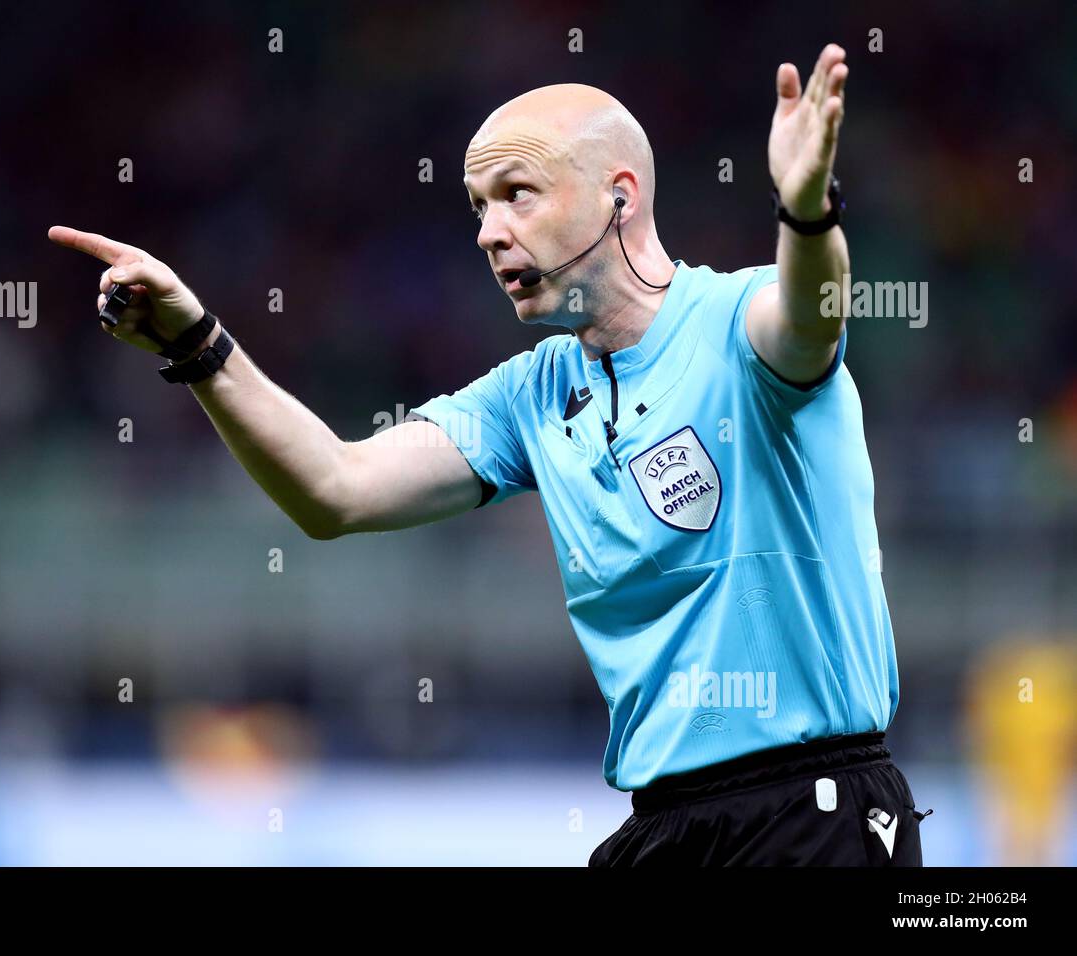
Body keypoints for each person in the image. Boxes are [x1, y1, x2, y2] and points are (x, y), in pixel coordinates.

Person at [49, 42, 927, 866]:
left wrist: (807, 211)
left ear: (620, 195)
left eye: (517, 194)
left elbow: (813, 317)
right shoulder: (530, 395)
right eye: (477, 206)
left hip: (816, 812)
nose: (489, 232)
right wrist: (197, 345)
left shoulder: (738, 325)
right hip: (662, 827)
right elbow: (335, 490)